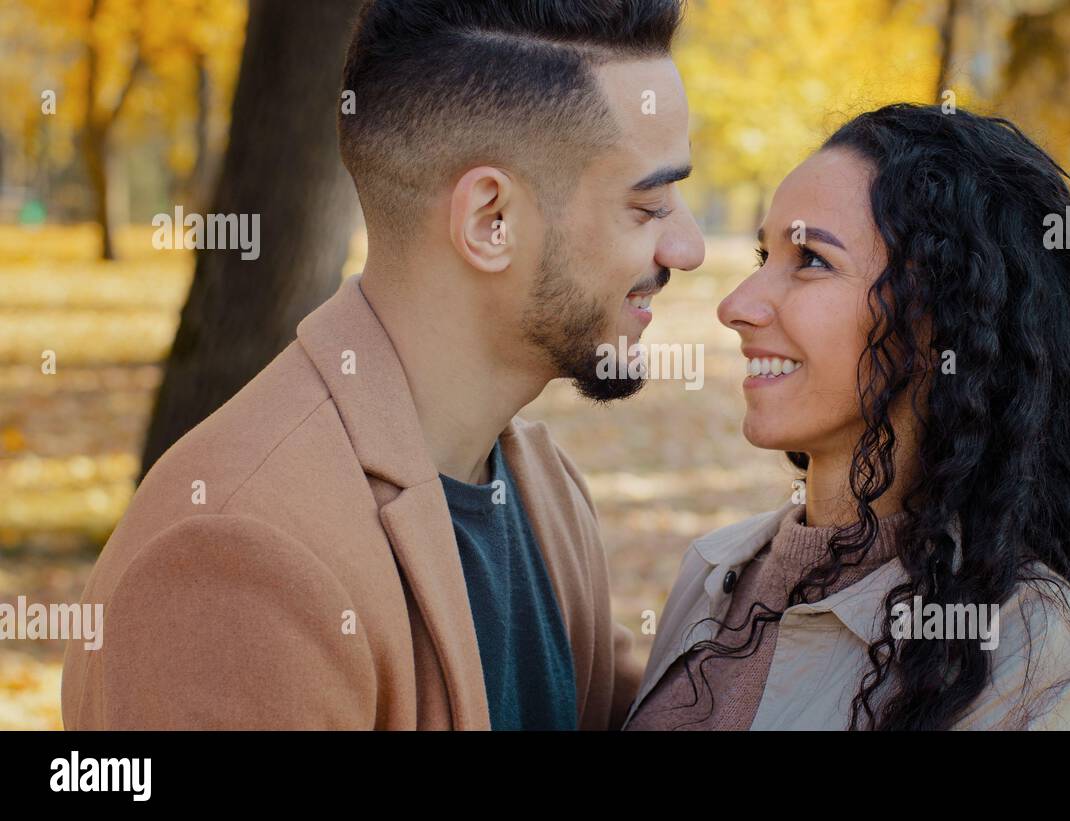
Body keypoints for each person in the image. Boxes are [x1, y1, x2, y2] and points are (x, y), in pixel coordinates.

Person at [62, 0, 704, 730]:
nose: (688, 248)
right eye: (649, 206)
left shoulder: (539, 485)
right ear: (490, 221)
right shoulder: (237, 555)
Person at [624, 103, 1070, 731]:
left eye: (812, 261)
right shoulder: (712, 572)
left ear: (944, 324)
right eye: (766, 259)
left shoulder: (1029, 650)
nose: (736, 305)